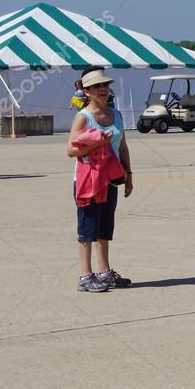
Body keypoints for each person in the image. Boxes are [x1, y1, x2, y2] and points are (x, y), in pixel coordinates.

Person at [67, 68, 133, 293]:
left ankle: (104, 272)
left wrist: (129, 175)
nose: (103, 89)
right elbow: (70, 150)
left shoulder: (117, 114)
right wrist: (97, 143)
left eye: (105, 85)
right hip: (88, 179)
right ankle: (86, 276)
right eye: (97, 86)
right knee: (87, 227)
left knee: (105, 226)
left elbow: (123, 146)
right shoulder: (83, 117)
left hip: (111, 178)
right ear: (86, 91)